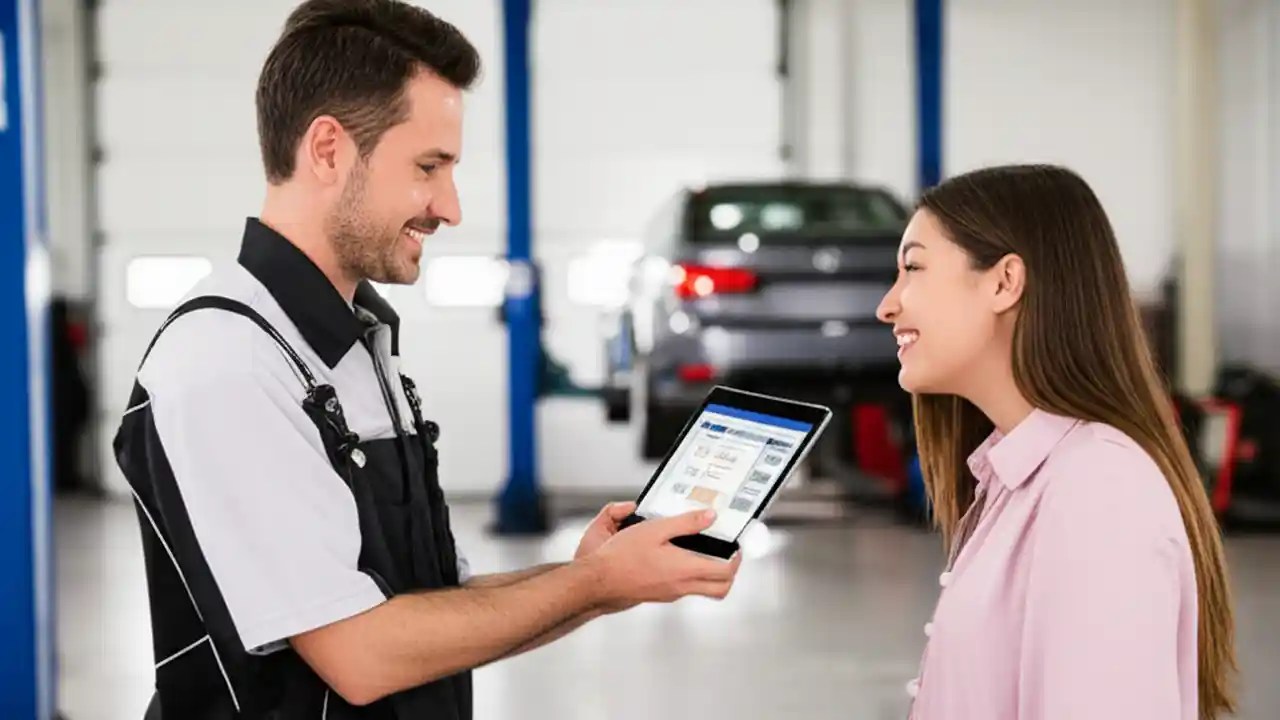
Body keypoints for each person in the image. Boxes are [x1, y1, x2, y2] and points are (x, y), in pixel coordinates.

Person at [113, 1, 739, 718]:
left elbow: (432, 610)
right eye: (428, 166)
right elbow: (360, 653)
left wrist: (595, 577)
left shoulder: (351, 343)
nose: (451, 205)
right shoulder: (231, 360)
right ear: (327, 151)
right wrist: (594, 587)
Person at [874, 164, 1236, 719]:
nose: (888, 305)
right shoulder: (1014, 476)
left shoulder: (1098, 489)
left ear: (1004, 282)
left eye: (913, 268)